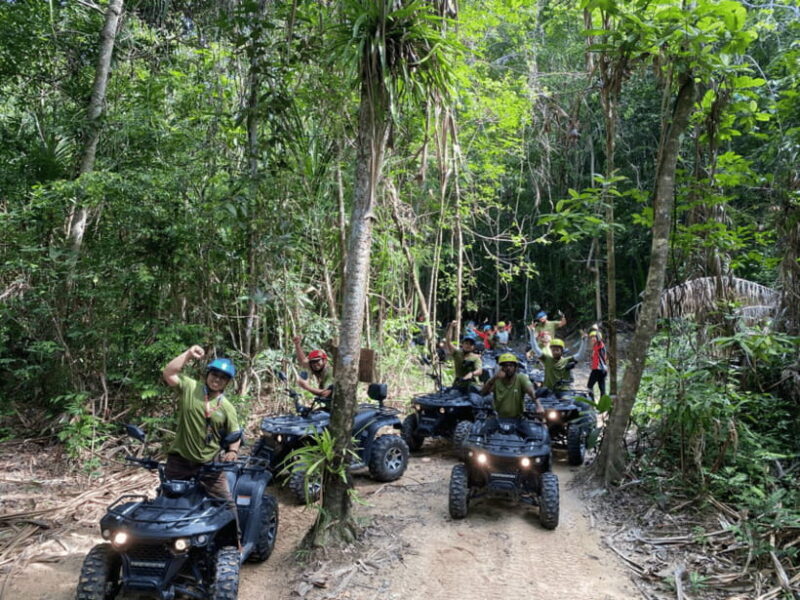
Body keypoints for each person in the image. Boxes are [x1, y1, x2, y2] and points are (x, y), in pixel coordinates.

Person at [162, 346, 241, 542]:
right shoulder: (190, 388)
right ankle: (164, 543)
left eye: (223, 378)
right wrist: (189, 354)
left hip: (209, 464)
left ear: (227, 382)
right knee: (166, 502)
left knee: (225, 503)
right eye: (214, 374)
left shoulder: (227, 407)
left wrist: (233, 451)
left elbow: (235, 433)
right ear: (207, 374)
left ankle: (235, 542)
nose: (217, 379)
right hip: (179, 461)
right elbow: (169, 372)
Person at [480, 353, 544, 438]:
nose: (508, 368)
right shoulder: (496, 380)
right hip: (498, 418)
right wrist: (494, 378)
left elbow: (531, 392)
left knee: (533, 439)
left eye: (511, 365)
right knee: (479, 437)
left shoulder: (521, 378)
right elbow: (483, 393)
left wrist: (538, 405)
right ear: (501, 368)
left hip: (518, 419)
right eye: (505, 366)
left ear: (515, 367)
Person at [293, 335, 335, 408]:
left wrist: (306, 387)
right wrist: (297, 345)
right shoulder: (318, 369)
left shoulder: (329, 373)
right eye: (312, 362)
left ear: (324, 361)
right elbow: (303, 361)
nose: (315, 364)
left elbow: (326, 393)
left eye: (317, 361)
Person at [444, 321, 483, 390]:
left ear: (473, 347)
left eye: (471, 344)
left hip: (471, 384)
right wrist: (451, 327)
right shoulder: (457, 353)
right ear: (462, 344)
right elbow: (448, 341)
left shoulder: (476, 357)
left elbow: (479, 371)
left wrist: (471, 374)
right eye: (466, 343)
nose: (468, 345)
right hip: (458, 383)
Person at [586, 329, 608, 397]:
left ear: (598, 337)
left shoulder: (600, 344)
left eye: (594, 337)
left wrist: (596, 329)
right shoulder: (595, 347)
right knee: (602, 389)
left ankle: (591, 401)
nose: (592, 338)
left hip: (598, 370)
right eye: (591, 337)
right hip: (602, 370)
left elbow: (599, 337)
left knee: (589, 386)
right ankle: (602, 403)